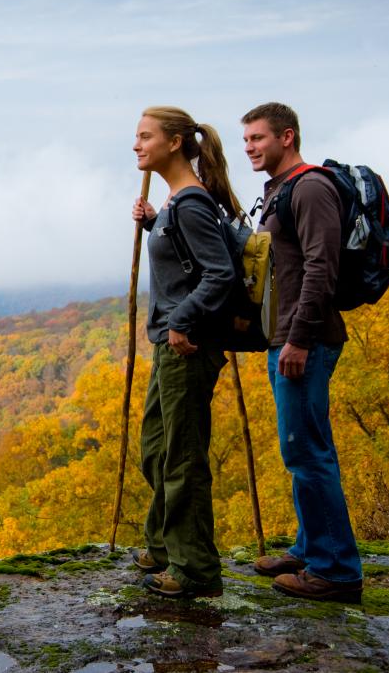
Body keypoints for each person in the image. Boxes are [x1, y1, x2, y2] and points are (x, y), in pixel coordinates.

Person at [242, 101, 363, 604]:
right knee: (306, 448)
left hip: (303, 341)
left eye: (259, 139)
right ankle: (311, 546)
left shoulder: (310, 188)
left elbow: (321, 268)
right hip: (290, 338)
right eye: (246, 140)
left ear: (287, 137)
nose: (250, 147)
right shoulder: (280, 191)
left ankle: (334, 571)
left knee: (307, 452)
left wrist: (298, 338)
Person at [129, 106, 241, 599]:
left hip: (187, 346)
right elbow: (188, 261)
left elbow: (220, 274)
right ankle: (161, 541)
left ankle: (194, 567)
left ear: (174, 143)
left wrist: (180, 319)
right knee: (156, 447)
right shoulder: (178, 204)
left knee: (181, 455)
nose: (136, 145)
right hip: (170, 344)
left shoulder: (192, 202)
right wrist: (157, 224)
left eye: (145, 136)